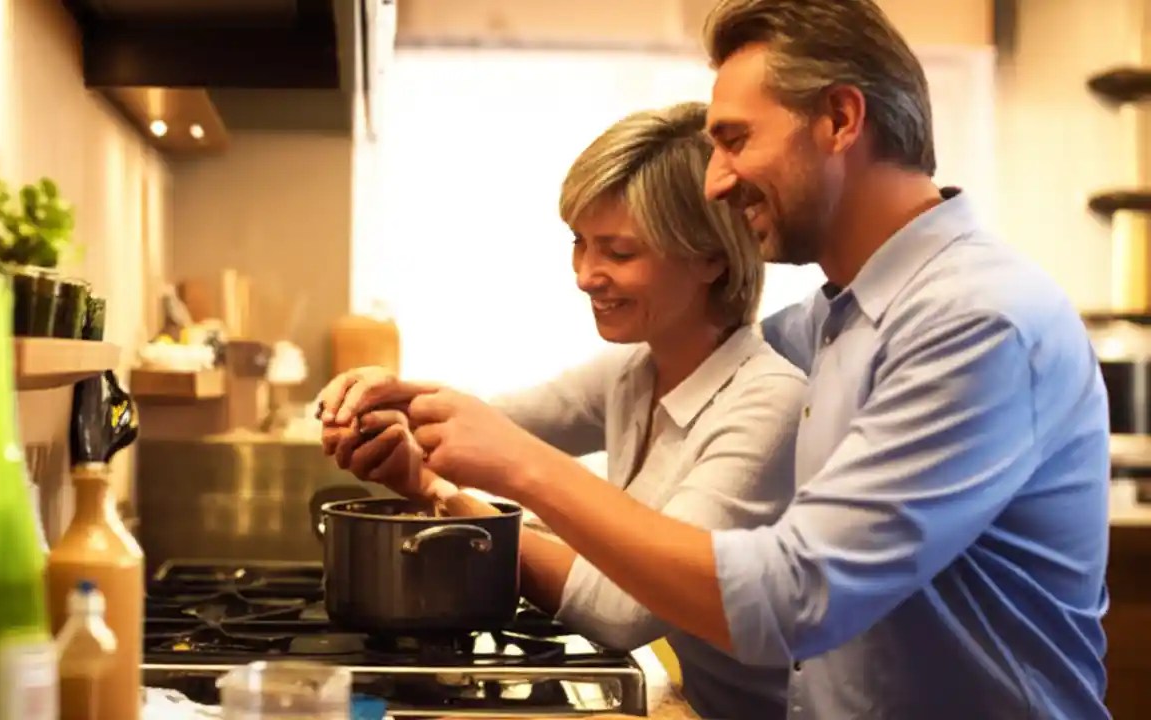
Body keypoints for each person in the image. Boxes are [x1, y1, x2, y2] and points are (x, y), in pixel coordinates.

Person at [323, 1, 1114, 718]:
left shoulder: (976, 321)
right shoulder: (832, 320)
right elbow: (693, 358)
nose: (716, 180)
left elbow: (792, 597)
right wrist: (403, 406)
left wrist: (516, 470)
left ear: (840, 119)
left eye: (735, 140)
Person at [319, 101, 807, 720]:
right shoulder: (637, 371)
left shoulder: (768, 404)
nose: (585, 275)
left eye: (618, 252)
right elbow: (489, 422)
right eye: (579, 243)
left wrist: (443, 497)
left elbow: (620, 609)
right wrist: (386, 402)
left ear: (711, 256)